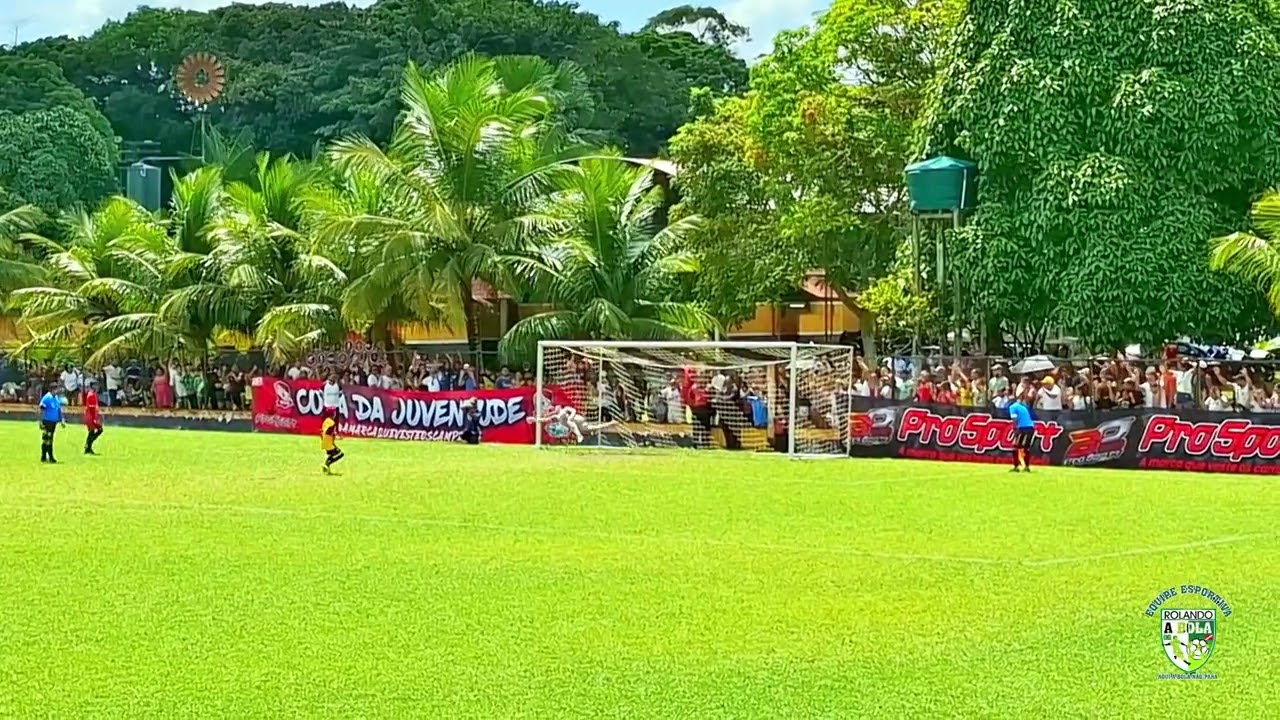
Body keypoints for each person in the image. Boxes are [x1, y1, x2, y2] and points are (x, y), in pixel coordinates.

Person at [1008, 391, 1036, 472]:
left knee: (1015, 447)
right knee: (1025, 447)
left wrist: (1015, 428)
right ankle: (1026, 466)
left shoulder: (1012, 407)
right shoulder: (1023, 406)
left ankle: (1016, 467)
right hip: (1030, 427)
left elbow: (1014, 418)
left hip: (1023, 427)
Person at [38, 385, 66, 463]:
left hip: (53, 422)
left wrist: (62, 420)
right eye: (56, 389)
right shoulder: (47, 398)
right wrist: (40, 421)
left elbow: (59, 409)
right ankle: (48, 457)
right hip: (47, 421)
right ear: (52, 389)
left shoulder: (56, 398)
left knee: (49, 439)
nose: (57, 391)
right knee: (47, 439)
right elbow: (41, 410)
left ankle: (45, 457)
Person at [320, 409, 344, 474]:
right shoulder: (332, 422)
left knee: (331, 454)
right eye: (334, 413)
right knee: (340, 454)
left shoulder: (326, 421)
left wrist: (323, 439)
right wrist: (334, 437)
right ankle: (326, 464)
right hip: (328, 441)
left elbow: (322, 431)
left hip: (324, 440)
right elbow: (330, 432)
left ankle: (326, 468)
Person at [84, 381, 104, 455]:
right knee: (98, 430)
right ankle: (88, 446)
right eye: (96, 385)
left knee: (92, 432)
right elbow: (91, 408)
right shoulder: (91, 395)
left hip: (92, 416)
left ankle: (88, 447)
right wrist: (94, 418)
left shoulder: (94, 394)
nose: (97, 387)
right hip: (91, 416)